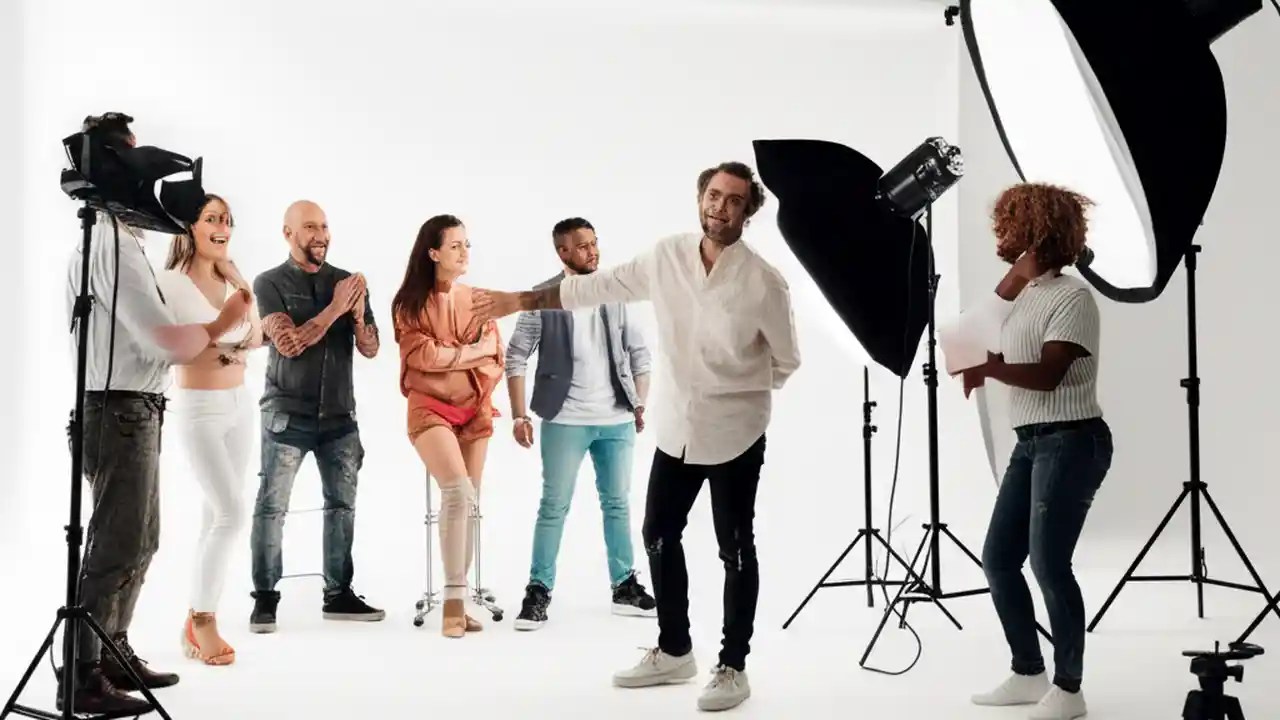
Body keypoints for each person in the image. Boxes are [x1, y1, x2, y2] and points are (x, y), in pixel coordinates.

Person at [473, 161, 801, 712]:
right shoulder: (667, 255)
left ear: (749, 211)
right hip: (677, 429)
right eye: (714, 195)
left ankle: (733, 665)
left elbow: (786, 361)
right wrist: (521, 300)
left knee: (735, 548)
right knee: (657, 533)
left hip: (737, 432)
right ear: (700, 198)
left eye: (735, 200)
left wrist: (735, 391)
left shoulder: (765, 282)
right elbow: (596, 287)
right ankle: (675, 650)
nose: (720, 208)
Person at [62, 113, 251, 714]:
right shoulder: (111, 246)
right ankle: (84, 675)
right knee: (117, 543)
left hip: (133, 409)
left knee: (141, 538)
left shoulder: (124, 243)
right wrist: (225, 323)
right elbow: (165, 343)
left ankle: (113, 652)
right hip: (117, 409)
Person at [962, 182, 1112, 720]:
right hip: (1032, 444)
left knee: (1049, 563)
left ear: (1037, 232)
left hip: (1073, 440)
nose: (1001, 234)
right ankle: (1029, 672)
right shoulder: (1027, 292)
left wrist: (989, 368)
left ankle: (1069, 690)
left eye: (1011, 226)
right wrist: (1016, 276)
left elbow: (1050, 374)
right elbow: (967, 334)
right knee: (1000, 559)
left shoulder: (1073, 297)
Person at [504, 217, 657, 630]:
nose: (593, 252)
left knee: (618, 504)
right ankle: (538, 591)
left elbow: (639, 353)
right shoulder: (541, 296)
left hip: (616, 421)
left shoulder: (614, 292)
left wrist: (639, 404)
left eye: (594, 243)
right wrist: (519, 414)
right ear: (563, 252)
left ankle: (624, 586)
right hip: (565, 419)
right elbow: (516, 356)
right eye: (583, 246)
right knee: (554, 506)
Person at [247, 199, 384, 632]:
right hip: (287, 416)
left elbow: (371, 348)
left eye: (324, 226)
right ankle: (265, 600)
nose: (320, 234)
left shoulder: (347, 282)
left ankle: (338, 594)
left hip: (340, 419)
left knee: (342, 507)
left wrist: (358, 316)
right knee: (272, 508)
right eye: (310, 227)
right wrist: (335, 309)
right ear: (288, 233)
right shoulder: (268, 282)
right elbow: (287, 344)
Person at [156, 193, 263, 666]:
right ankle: (203, 619)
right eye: (212, 219)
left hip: (241, 404)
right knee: (230, 514)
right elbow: (174, 347)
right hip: (200, 407)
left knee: (214, 515)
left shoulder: (233, 278)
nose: (223, 227)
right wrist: (224, 334)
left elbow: (256, 337)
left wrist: (223, 338)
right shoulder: (171, 283)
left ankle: (193, 620)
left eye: (227, 220)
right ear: (189, 228)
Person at [391, 214, 504, 639]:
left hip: (475, 408)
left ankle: (460, 595)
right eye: (455, 245)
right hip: (429, 410)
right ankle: (452, 602)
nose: (464, 252)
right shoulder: (408, 304)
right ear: (433, 252)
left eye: (467, 244)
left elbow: (495, 354)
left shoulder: (477, 299)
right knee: (456, 490)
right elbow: (421, 359)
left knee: (470, 503)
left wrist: (454, 355)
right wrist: (469, 352)